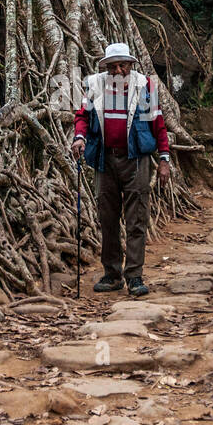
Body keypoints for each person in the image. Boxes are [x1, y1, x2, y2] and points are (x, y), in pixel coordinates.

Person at [70, 42, 171, 296]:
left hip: (135, 160)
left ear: (131, 65)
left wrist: (164, 158)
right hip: (105, 160)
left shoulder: (144, 85)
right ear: (106, 67)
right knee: (108, 218)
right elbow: (82, 115)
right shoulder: (95, 85)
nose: (118, 70)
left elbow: (157, 122)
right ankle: (112, 274)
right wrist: (79, 138)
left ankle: (134, 276)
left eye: (122, 64)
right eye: (113, 66)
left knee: (136, 218)